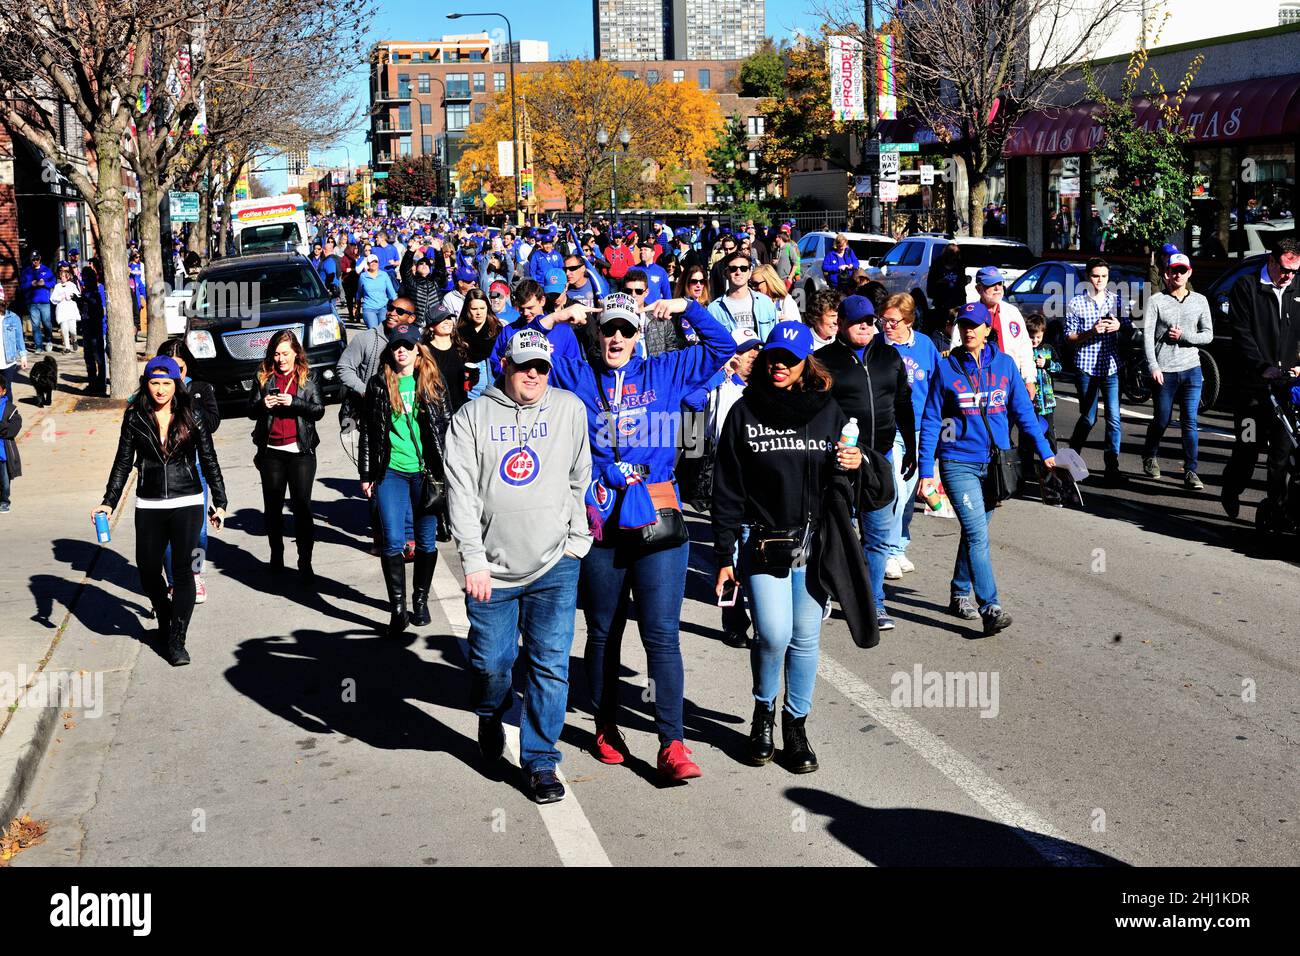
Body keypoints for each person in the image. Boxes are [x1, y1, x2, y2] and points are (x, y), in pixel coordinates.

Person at [542, 291, 736, 781]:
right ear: (597, 332)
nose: (617, 338)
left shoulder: (663, 371)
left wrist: (687, 308)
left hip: (658, 519)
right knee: (604, 632)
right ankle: (606, 724)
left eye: (627, 330)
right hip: (602, 518)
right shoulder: (577, 373)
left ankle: (673, 743)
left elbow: (722, 345)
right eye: (609, 328)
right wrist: (555, 318)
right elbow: (511, 357)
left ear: (638, 337)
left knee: (662, 636)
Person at [444, 329, 592, 804]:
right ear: (503, 364)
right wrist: (473, 560)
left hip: (555, 564)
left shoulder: (569, 409)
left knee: (550, 665)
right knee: (492, 664)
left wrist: (577, 538)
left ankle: (541, 760)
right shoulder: (471, 417)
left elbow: (578, 476)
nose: (534, 374)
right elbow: (461, 495)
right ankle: (491, 712)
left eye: (542, 367)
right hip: (492, 570)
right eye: (524, 364)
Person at [712, 321, 863, 772]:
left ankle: (795, 725)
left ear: (805, 364)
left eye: (790, 360)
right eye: (774, 357)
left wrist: (855, 462)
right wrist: (723, 556)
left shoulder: (827, 410)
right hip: (762, 541)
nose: (780, 366)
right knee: (774, 633)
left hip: (814, 545)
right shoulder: (744, 411)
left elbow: (845, 478)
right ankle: (763, 715)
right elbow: (727, 491)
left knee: (805, 639)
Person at [918, 302, 1054, 634]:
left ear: (987, 330)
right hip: (957, 462)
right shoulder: (946, 369)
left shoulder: (1005, 367)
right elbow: (932, 419)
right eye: (963, 324)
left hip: (995, 465)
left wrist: (1046, 452)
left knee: (975, 531)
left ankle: (959, 590)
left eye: (974, 325)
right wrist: (925, 471)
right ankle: (990, 606)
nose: (967, 330)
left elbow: (1024, 414)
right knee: (978, 533)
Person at [95, 356, 227, 666]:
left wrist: (220, 501)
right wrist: (109, 501)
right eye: (155, 383)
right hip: (150, 501)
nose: (160, 390)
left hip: (187, 500)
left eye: (166, 383)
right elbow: (123, 462)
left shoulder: (192, 414)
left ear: (176, 384)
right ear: (146, 384)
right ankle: (166, 618)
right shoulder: (135, 417)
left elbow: (209, 459)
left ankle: (177, 639)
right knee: (147, 567)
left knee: (183, 572)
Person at [816, 295, 916, 631]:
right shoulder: (823, 360)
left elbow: (903, 404)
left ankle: (873, 602)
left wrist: (912, 448)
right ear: (841, 323)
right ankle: (824, 592)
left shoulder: (890, 357)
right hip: (838, 461)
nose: (865, 326)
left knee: (877, 538)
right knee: (832, 534)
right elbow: (814, 414)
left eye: (870, 320)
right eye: (858, 320)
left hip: (879, 460)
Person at [357, 323, 451, 638]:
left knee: (426, 541)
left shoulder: (432, 382)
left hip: (425, 474)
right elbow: (369, 432)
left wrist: (450, 471)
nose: (401, 350)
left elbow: (447, 428)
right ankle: (398, 608)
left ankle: (420, 599)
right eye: (397, 345)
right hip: (391, 472)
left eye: (407, 346)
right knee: (393, 542)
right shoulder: (379, 384)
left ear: (417, 350)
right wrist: (367, 473)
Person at [1222, 238, 1300, 520]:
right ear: (1271, 261)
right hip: (1251, 391)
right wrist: (1262, 367)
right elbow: (1242, 335)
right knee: (1248, 448)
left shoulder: (1296, 289)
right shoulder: (1246, 288)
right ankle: (1231, 487)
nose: (1289, 276)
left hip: (1286, 390)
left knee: (1282, 454)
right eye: (1284, 270)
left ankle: (1276, 508)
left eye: (1294, 271)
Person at [249, 330, 324, 582]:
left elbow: (318, 410)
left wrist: (294, 402)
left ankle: (305, 561)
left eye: (285, 354)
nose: (280, 359)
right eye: (276, 354)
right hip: (271, 451)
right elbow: (249, 410)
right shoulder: (263, 377)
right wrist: (263, 405)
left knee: (302, 507)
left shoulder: (308, 377)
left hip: (300, 450)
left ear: (296, 354)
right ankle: (276, 555)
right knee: (272, 508)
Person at [1141, 252, 1213, 490]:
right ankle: (1150, 455)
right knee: (1162, 419)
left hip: (1192, 369)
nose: (1178, 275)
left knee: (1189, 421)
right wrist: (1153, 366)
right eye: (1174, 271)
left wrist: (1184, 336)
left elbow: (1208, 335)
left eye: (1183, 270)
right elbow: (1148, 338)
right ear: (1166, 274)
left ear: (1189, 273)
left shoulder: (1200, 300)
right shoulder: (1156, 301)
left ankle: (1191, 471)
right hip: (1165, 371)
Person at [881, 293, 940, 578]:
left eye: (894, 322)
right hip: (890, 429)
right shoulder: (878, 345)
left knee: (908, 497)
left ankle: (899, 546)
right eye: (885, 320)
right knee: (896, 489)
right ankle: (887, 551)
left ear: (908, 320)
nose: (887, 326)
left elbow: (937, 386)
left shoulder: (925, 345)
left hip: (918, 429)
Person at [156, 339, 218, 602]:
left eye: (179, 369)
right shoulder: (154, 392)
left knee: (199, 531)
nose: (175, 376)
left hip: (196, 469)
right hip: (165, 472)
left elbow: (213, 422)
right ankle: (173, 582)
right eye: (169, 370)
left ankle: (195, 575)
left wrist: (188, 402)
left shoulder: (200, 388)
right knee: (169, 536)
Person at [1064, 257, 1126, 483]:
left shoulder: (1117, 301)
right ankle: (1072, 457)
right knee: (1089, 418)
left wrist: (1120, 325)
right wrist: (1091, 331)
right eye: (1095, 276)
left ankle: (1112, 466)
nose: (1100, 280)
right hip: (1087, 367)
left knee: (1114, 418)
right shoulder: (1076, 303)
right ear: (1087, 277)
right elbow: (1069, 337)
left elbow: (1129, 328)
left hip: (1111, 367)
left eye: (1104, 276)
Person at [1024, 314, 1065, 506]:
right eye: (1032, 337)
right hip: (1029, 404)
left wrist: (1046, 364)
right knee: (1028, 438)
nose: (1034, 341)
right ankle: (1025, 472)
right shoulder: (1023, 351)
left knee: (1049, 438)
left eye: (1038, 337)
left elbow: (1059, 367)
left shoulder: (1047, 350)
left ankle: (1051, 473)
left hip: (1046, 402)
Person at [708, 250, 779, 342]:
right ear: (725, 273)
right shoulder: (714, 309)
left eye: (743, 268)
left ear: (750, 273)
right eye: (733, 269)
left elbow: (775, 338)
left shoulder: (766, 302)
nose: (738, 272)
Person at [422, 306, 467, 412]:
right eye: (442, 319)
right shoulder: (425, 351)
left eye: (448, 318)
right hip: (438, 408)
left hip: (460, 406)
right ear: (431, 327)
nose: (447, 322)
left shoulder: (460, 347)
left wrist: (472, 378)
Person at [925, 243, 968, 329]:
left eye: (957, 254)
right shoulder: (937, 264)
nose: (955, 256)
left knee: (956, 323)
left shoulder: (960, 265)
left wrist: (964, 280)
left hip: (957, 300)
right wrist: (940, 282)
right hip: (942, 300)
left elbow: (962, 280)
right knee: (941, 324)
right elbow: (931, 282)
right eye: (952, 254)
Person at [20, 251, 55, 353]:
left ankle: (48, 340)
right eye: (33, 259)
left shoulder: (46, 270)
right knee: (35, 325)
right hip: (32, 302)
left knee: (47, 323)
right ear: (31, 260)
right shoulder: (26, 271)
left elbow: (53, 282)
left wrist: (45, 283)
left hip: (44, 301)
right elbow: (22, 286)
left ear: (40, 259)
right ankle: (38, 346)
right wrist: (31, 284)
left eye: (37, 259)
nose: (35, 261)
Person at [398, 254, 444, 328]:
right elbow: (404, 270)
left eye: (427, 264)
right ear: (416, 268)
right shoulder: (412, 282)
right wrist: (410, 251)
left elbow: (441, 270)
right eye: (421, 264)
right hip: (416, 324)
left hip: (435, 322)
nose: (424, 265)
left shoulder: (435, 282)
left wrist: (438, 251)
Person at [358, 255, 399, 330]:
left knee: (384, 330)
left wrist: (398, 306)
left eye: (375, 262)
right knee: (374, 330)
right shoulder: (363, 276)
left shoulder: (384, 275)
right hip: (369, 308)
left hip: (383, 308)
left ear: (378, 263)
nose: (374, 264)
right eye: (371, 262)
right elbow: (359, 293)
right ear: (367, 264)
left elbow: (392, 292)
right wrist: (357, 309)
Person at [0, 377, 21, 514]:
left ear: (3, 391)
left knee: (4, 480)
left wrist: (2, 429)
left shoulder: (9, 409)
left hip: (3, 452)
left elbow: (15, 426)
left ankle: (4, 500)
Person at [49, 265, 81, 353]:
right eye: (61, 276)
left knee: (72, 329)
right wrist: (60, 297)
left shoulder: (72, 285)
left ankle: (74, 340)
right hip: (62, 310)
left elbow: (78, 295)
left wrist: (71, 296)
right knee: (64, 329)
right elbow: (53, 298)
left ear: (67, 277)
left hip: (70, 309)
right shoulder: (57, 286)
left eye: (64, 276)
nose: (62, 278)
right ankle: (67, 347)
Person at [1, 304, 28, 397]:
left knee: (6, 389)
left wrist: (23, 357)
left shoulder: (13, 317)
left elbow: (19, 339)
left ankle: (8, 411)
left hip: (8, 361)